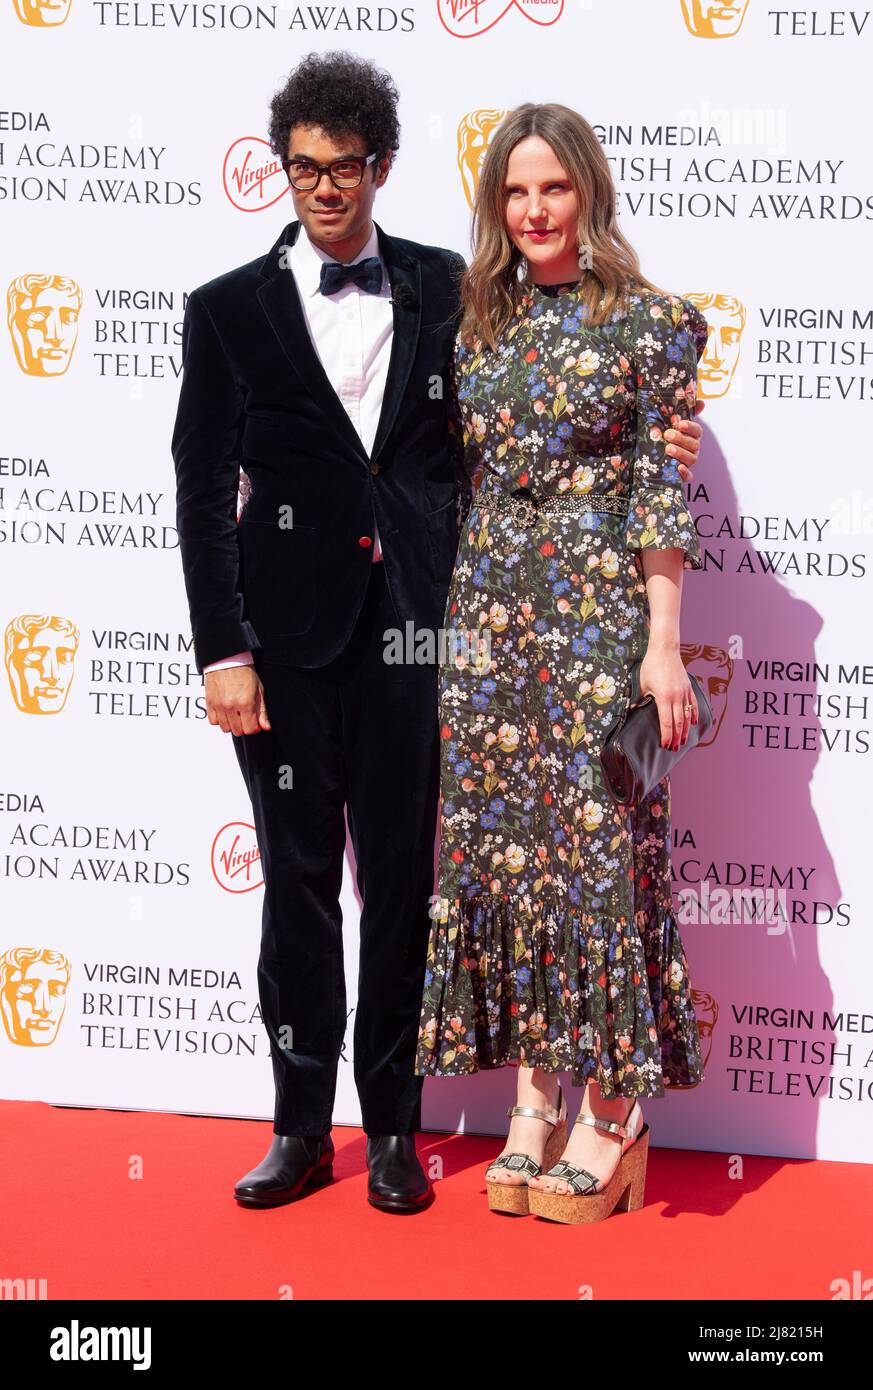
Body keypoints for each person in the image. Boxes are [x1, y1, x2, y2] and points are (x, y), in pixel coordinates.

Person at [171, 57, 704, 1216]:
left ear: (381, 168)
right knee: (298, 893)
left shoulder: (448, 292)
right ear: (281, 171)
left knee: (412, 885)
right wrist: (223, 650)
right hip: (289, 653)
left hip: (430, 641)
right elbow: (203, 485)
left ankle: (400, 1133)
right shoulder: (226, 310)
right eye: (303, 167)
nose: (324, 187)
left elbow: (589, 420)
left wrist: (662, 453)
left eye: (345, 166)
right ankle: (300, 1130)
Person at [415, 102, 708, 1225]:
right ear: (496, 205)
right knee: (504, 856)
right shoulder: (475, 321)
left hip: (598, 624)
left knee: (598, 860)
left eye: (555, 188)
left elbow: (658, 487)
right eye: (515, 191)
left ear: (590, 191)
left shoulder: (649, 324)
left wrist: (663, 644)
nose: (535, 211)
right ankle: (533, 1098)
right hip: (489, 623)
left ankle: (618, 1111)